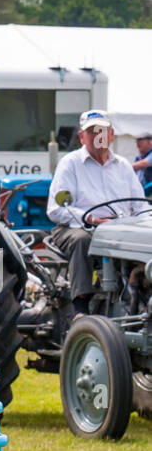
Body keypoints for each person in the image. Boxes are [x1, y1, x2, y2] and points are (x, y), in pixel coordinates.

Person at [47, 109, 147, 315]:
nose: (97, 136)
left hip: (119, 230)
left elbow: (140, 206)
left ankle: (138, 297)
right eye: (92, 132)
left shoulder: (123, 166)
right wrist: (92, 219)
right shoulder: (70, 163)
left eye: (101, 131)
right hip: (77, 227)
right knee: (81, 239)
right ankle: (80, 308)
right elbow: (56, 209)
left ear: (111, 135)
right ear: (82, 137)